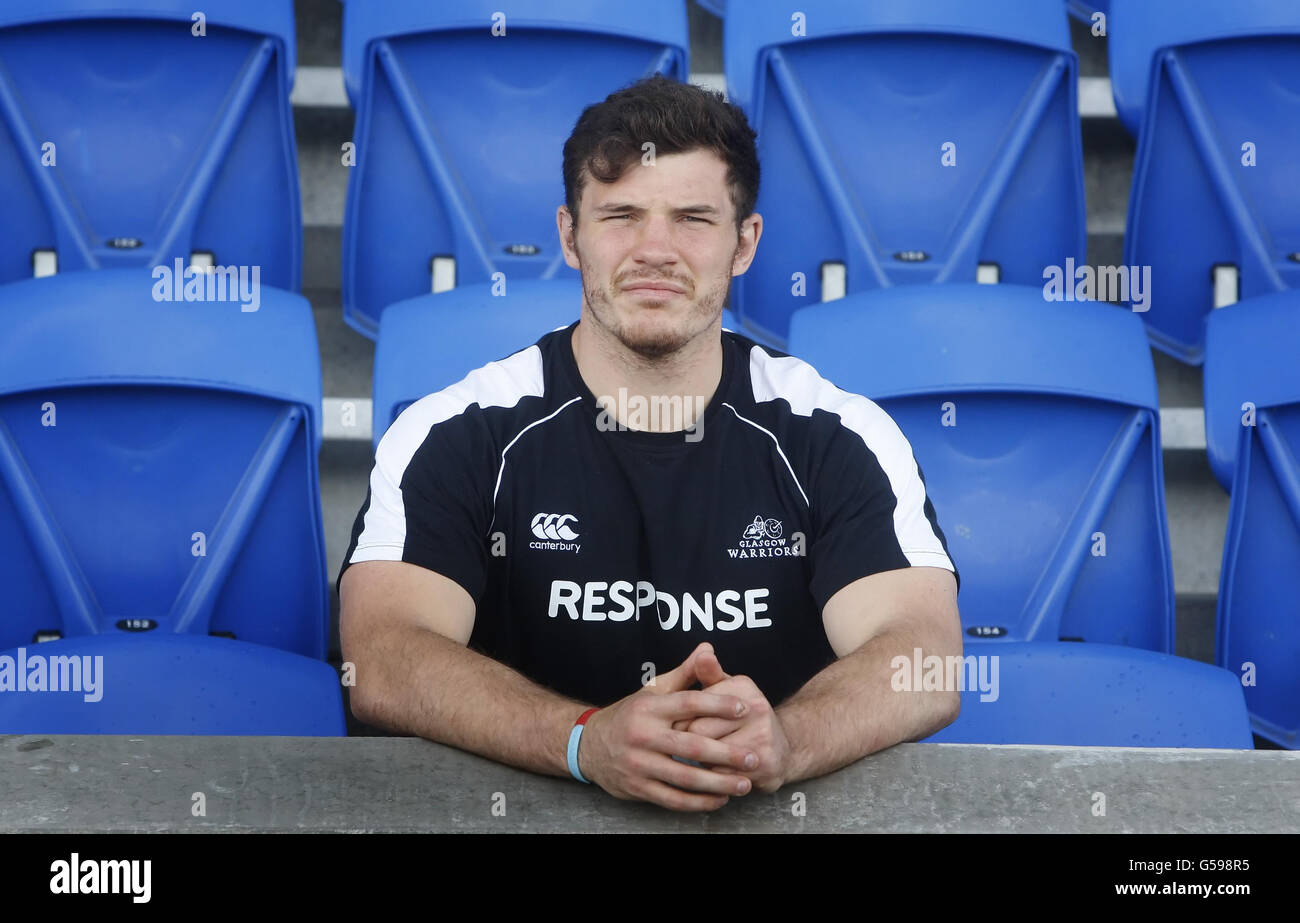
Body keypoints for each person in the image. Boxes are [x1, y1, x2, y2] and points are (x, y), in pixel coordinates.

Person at [338, 76, 962, 813]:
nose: (655, 250)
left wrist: (789, 739)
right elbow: (380, 658)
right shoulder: (458, 430)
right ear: (570, 236)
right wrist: (582, 739)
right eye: (622, 215)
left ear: (745, 241)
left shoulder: (836, 434)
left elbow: (923, 657)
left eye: (694, 218)